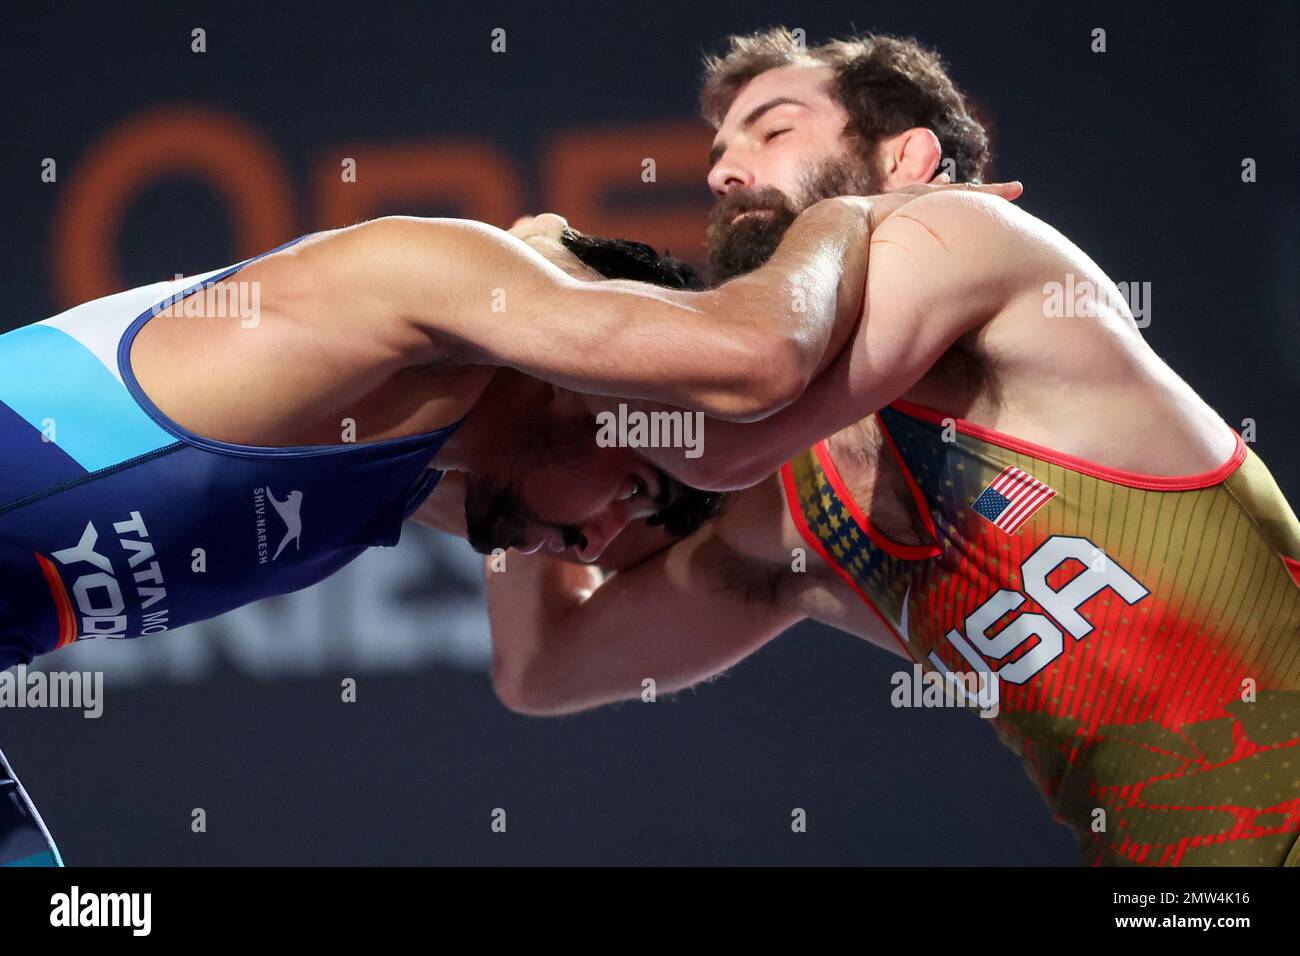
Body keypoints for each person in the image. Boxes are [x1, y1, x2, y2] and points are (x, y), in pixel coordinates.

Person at [484, 29, 1300, 867]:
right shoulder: (803, 516)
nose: (725, 171)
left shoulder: (970, 236)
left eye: (773, 131)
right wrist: (511, 416)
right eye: (721, 153)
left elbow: (727, 420)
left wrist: (543, 286)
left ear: (907, 158)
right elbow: (542, 666)